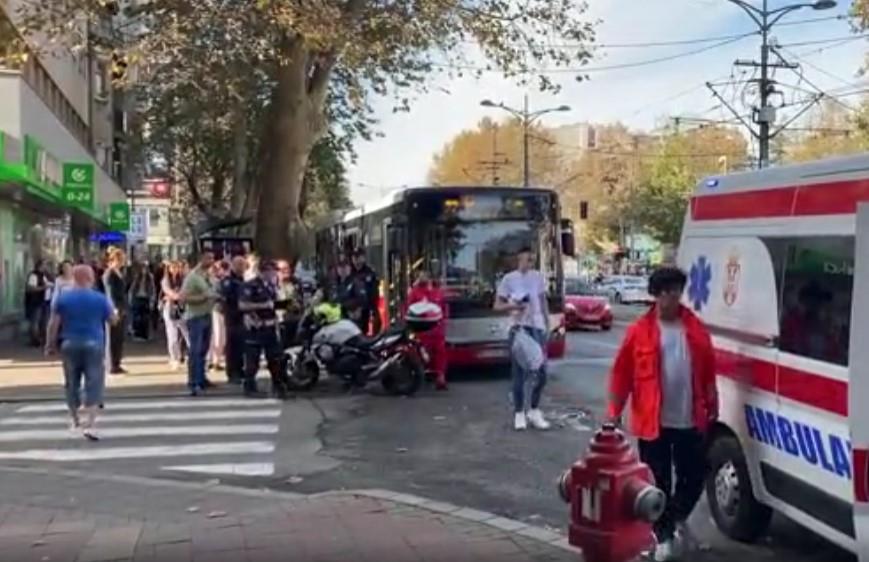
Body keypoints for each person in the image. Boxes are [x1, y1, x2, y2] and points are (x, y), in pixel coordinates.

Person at [607, 266, 718, 562]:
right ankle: (664, 536)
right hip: (652, 420)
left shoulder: (694, 329)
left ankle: (675, 520)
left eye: (678, 291)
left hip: (689, 418)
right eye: (667, 292)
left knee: (694, 476)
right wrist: (614, 411)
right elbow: (622, 374)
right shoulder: (639, 332)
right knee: (658, 483)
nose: (673, 297)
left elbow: (708, 373)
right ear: (656, 295)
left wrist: (712, 406)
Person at [45, 265, 117, 441]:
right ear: (90, 278)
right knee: (94, 381)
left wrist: (50, 345)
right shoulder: (100, 299)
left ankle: (75, 420)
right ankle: (90, 424)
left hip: (69, 343)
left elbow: (53, 324)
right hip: (94, 344)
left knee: (71, 382)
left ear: (75, 278)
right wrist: (114, 313)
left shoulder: (63, 299)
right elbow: (113, 320)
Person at [495, 247, 551, 431]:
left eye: (533, 260)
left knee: (541, 373)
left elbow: (542, 301)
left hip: (537, 328)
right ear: (519, 259)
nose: (531, 263)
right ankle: (519, 413)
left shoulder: (538, 277)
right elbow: (497, 305)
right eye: (528, 259)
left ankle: (534, 410)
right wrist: (513, 305)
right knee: (519, 372)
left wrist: (547, 323)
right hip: (518, 328)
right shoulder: (509, 279)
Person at [239, 260, 291, 399]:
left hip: (270, 327)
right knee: (252, 360)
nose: (273, 273)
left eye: (274, 271)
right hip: (255, 328)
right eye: (270, 271)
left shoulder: (272, 286)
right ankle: (249, 387)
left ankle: (278, 386)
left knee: (275, 358)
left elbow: (273, 305)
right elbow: (243, 305)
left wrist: (282, 306)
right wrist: (264, 305)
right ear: (263, 271)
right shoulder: (250, 286)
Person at [181, 251, 218, 396]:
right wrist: (203, 297)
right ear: (201, 259)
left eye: (212, 258)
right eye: (209, 258)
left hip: (207, 314)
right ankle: (193, 382)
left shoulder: (207, 275)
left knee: (203, 350)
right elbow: (184, 297)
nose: (212, 261)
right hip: (195, 317)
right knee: (195, 351)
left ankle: (201, 378)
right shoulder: (192, 277)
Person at [407, 269, 449, 391]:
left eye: (424, 274)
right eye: (420, 275)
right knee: (421, 354)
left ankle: (440, 377)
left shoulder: (438, 292)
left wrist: (443, 321)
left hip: (437, 329)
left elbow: (444, 308)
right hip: (421, 330)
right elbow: (409, 308)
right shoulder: (414, 292)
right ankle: (421, 377)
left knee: (440, 353)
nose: (422, 277)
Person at [219, 256, 248, 385]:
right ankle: (232, 373)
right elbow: (227, 298)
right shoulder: (228, 281)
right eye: (240, 266)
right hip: (232, 316)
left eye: (243, 266)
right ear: (234, 266)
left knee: (241, 345)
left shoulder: (241, 280)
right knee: (232, 346)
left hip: (242, 316)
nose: (242, 268)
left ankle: (239, 369)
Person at [102, 248, 129, 374]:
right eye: (119, 259)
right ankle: (110, 364)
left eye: (122, 259)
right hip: (113, 308)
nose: (121, 262)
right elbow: (110, 293)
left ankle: (117, 363)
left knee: (119, 337)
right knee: (112, 337)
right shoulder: (109, 274)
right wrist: (115, 309)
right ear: (112, 260)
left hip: (122, 307)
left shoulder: (120, 273)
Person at [161, 260, 189, 370]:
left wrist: (178, 296)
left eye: (177, 267)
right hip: (170, 309)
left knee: (187, 333)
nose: (175, 270)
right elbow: (169, 292)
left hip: (183, 309)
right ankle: (174, 358)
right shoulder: (165, 280)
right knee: (172, 335)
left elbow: (186, 292)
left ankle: (191, 356)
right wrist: (175, 296)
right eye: (173, 268)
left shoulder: (184, 279)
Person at [351, 249, 381, 335]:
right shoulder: (350, 272)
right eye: (354, 257)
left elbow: (374, 293)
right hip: (352, 311)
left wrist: (371, 308)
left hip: (367, 310)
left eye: (359, 257)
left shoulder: (369, 272)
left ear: (363, 257)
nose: (356, 260)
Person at [209, 260, 230, 372]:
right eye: (222, 268)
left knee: (222, 337)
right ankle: (214, 362)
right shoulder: (214, 281)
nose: (224, 271)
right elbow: (213, 295)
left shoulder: (224, 280)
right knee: (217, 336)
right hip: (216, 310)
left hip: (223, 310)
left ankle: (217, 361)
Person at [129, 260, 156, 341]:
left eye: (146, 268)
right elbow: (132, 289)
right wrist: (131, 299)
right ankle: (137, 334)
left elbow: (153, 289)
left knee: (145, 318)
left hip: (146, 299)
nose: (144, 270)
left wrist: (152, 300)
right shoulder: (137, 277)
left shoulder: (150, 277)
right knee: (137, 317)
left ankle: (145, 335)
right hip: (137, 298)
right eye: (143, 268)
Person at [24, 259, 50, 346]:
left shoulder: (44, 275)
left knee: (43, 321)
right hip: (36, 302)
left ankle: (41, 339)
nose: (47, 267)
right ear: (40, 266)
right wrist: (44, 287)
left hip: (44, 301)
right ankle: (34, 340)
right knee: (35, 321)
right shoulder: (33, 275)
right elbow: (30, 288)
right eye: (45, 265)